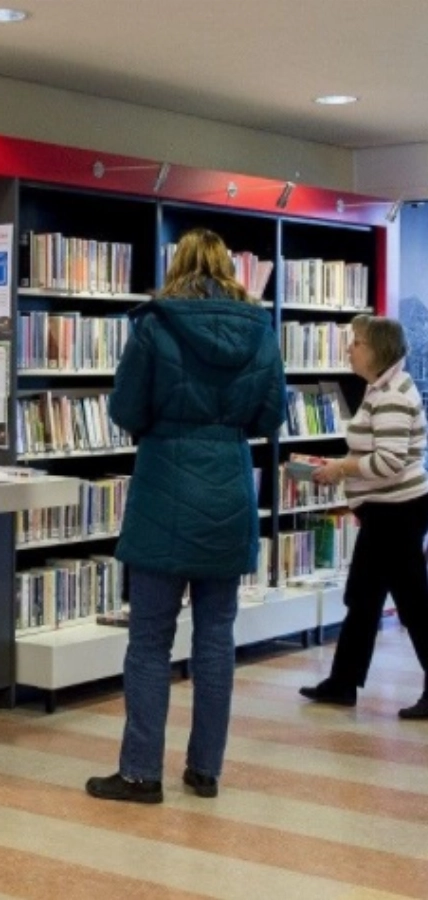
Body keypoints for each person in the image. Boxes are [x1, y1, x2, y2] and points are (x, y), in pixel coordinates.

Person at [86, 228, 286, 804]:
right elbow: (271, 415)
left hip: (163, 490)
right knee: (217, 638)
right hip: (229, 489)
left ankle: (141, 772)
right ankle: (205, 770)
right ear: (229, 268)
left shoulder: (155, 325)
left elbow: (126, 408)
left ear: (179, 265)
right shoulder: (261, 331)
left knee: (149, 639)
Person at [298, 315, 428, 718]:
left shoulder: (391, 395)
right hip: (389, 512)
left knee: (413, 604)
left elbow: (389, 462)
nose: (349, 349)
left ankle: (345, 681)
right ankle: (342, 682)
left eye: (355, 342)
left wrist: (340, 469)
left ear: (376, 350)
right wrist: (340, 465)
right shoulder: (382, 388)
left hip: (396, 514)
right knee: (365, 596)